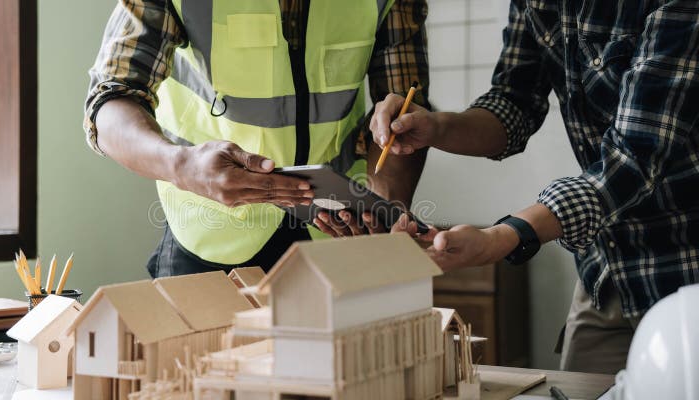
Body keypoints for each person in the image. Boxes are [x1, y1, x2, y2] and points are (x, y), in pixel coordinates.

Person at [375, 0, 699, 374]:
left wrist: (503, 236)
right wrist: (436, 128)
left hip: (684, 269)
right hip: (607, 269)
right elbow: (513, 103)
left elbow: (635, 157)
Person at [83, 0, 431, 277]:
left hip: (337, 234)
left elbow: (406, 116)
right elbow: (109, 102)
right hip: (208, 235)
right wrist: (181, 166)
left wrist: (386, 211)